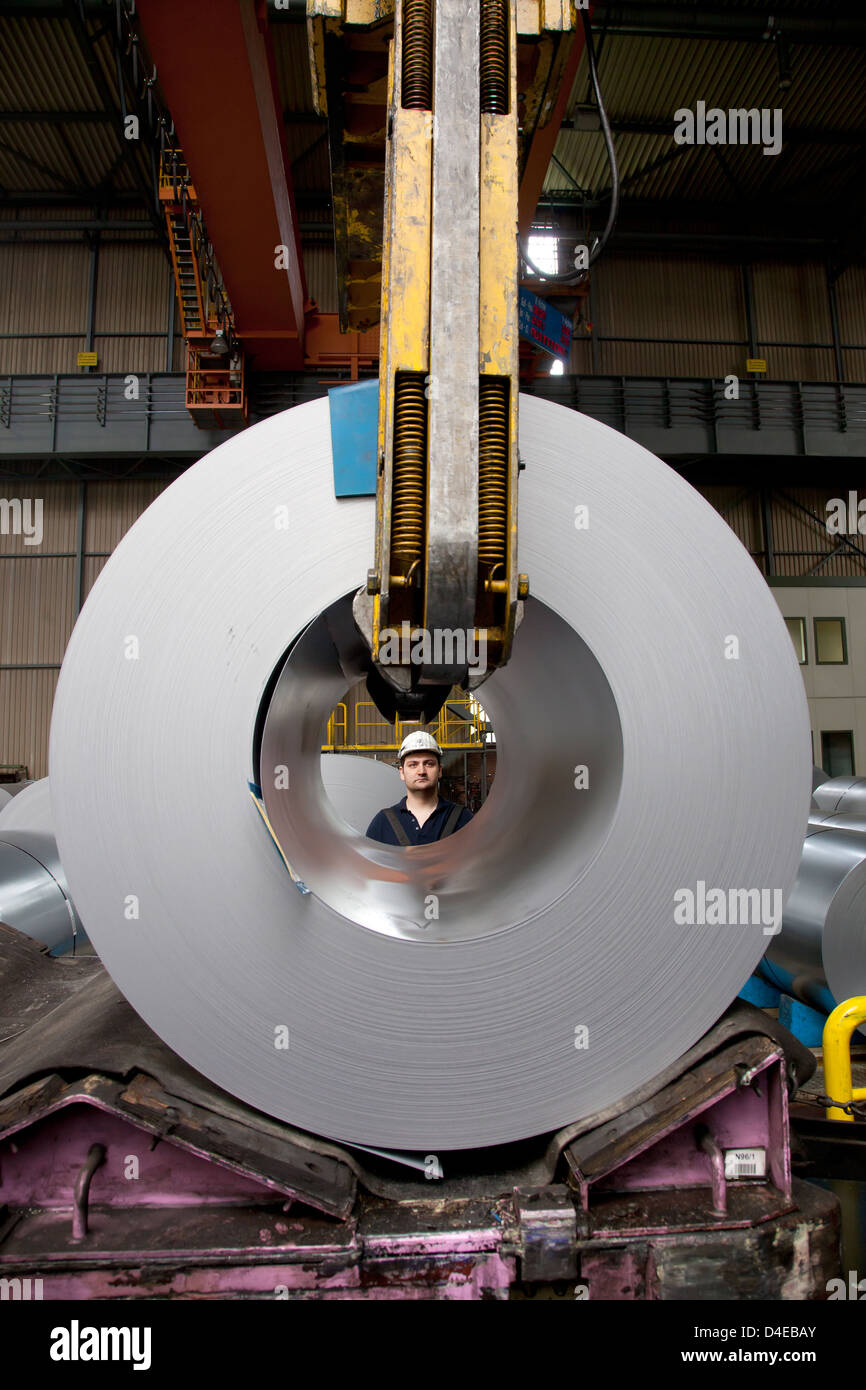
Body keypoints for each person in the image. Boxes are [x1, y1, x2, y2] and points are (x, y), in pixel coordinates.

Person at [365, 732, 473, 846]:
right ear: (402, 772)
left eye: (429, 764)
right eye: (413, 765)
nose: (421, 771)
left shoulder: (463, 818)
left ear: (440, 770)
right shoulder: (383, 823)